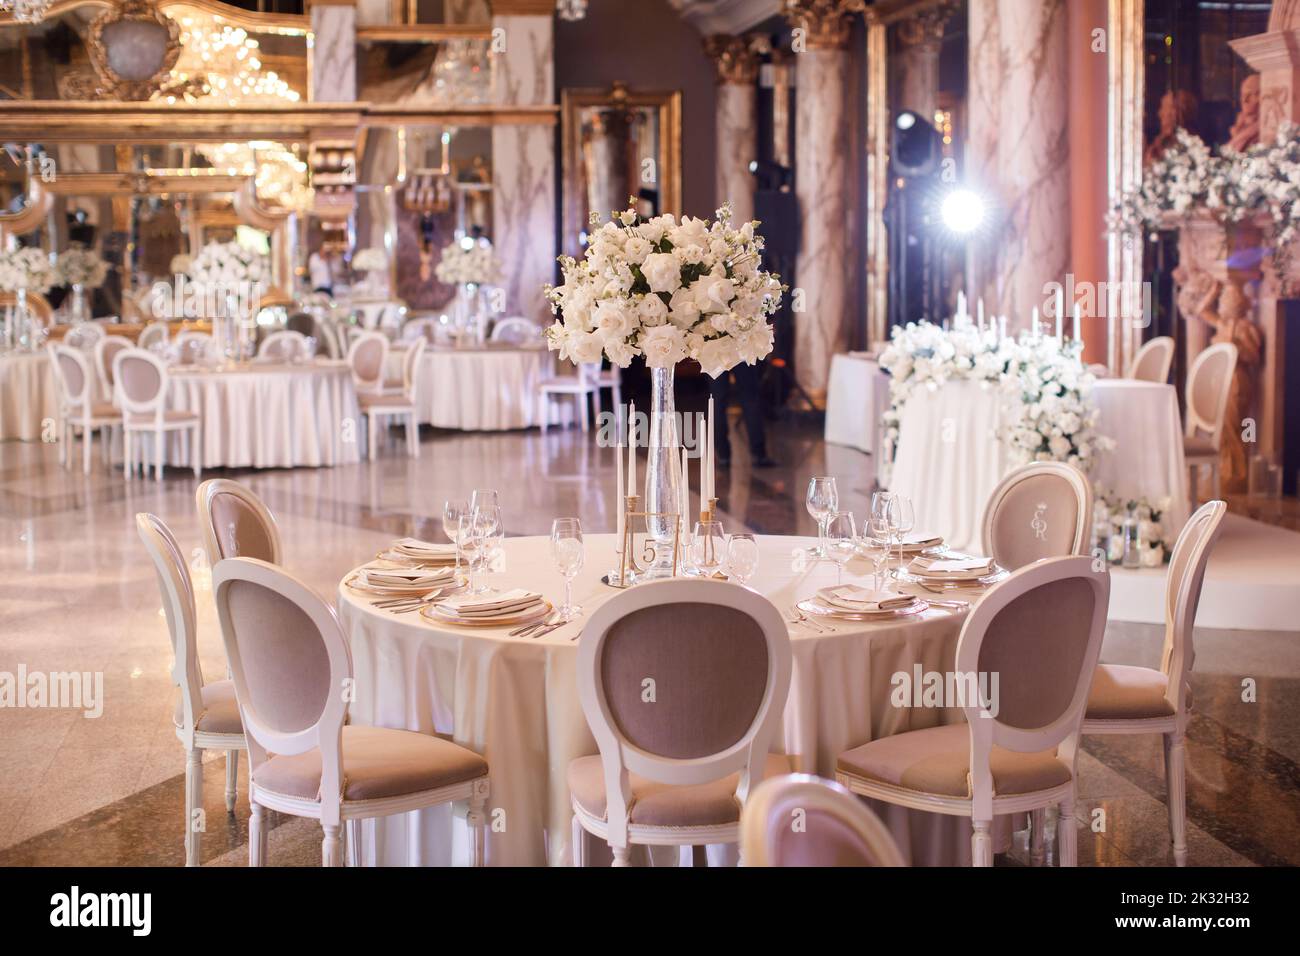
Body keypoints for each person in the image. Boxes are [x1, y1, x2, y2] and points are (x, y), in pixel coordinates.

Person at [708, 362, 776, 468]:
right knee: (750, 399)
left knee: (718, 402)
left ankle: (723, 456)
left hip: (716, 350)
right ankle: (759, 455)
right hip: (740, 350)